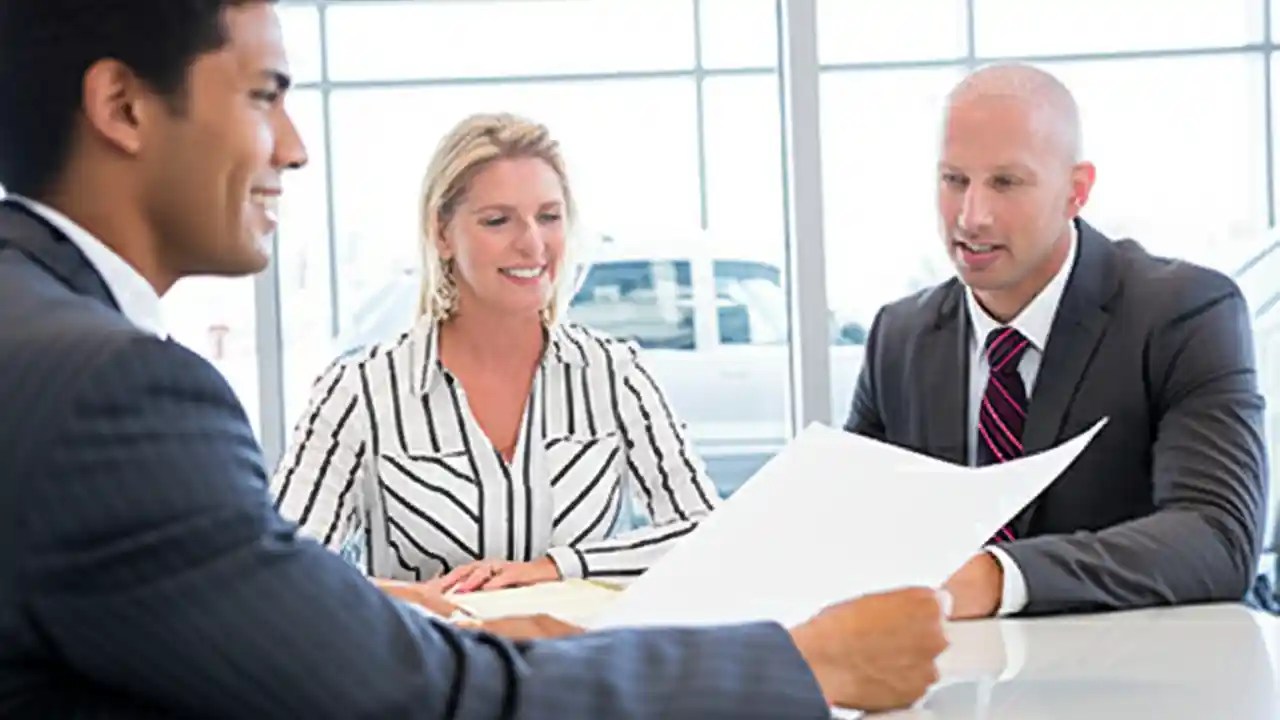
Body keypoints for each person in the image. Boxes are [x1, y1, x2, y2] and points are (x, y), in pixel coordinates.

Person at [0, 1, 950, 716]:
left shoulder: (41, 333)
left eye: (546, 219)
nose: (292, 148)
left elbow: (696, 528)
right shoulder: (119, 390)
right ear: (122, 105)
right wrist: (808, 661)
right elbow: (390, 680)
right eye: (263, 95)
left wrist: (545, 576)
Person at [845, 62, 1270, 619]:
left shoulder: (1183, 313)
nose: (971, 217)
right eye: (954, 180)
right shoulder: (898, 338)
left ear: (1076, 191)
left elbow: (1217, 537)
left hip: (1139, 680)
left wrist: (999, 577)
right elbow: (850, 528)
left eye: (1006, 182)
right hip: (952, 684)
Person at [272, 112, 720, 595]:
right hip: (427, 666)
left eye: (549, 217)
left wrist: (558, 566)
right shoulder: (361, 390)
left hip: (574, 665)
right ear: (442, 234)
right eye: (498, 221)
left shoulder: (614, 375)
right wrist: (413, 600)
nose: (532, 244)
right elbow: (283, 566)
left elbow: (707, 534)